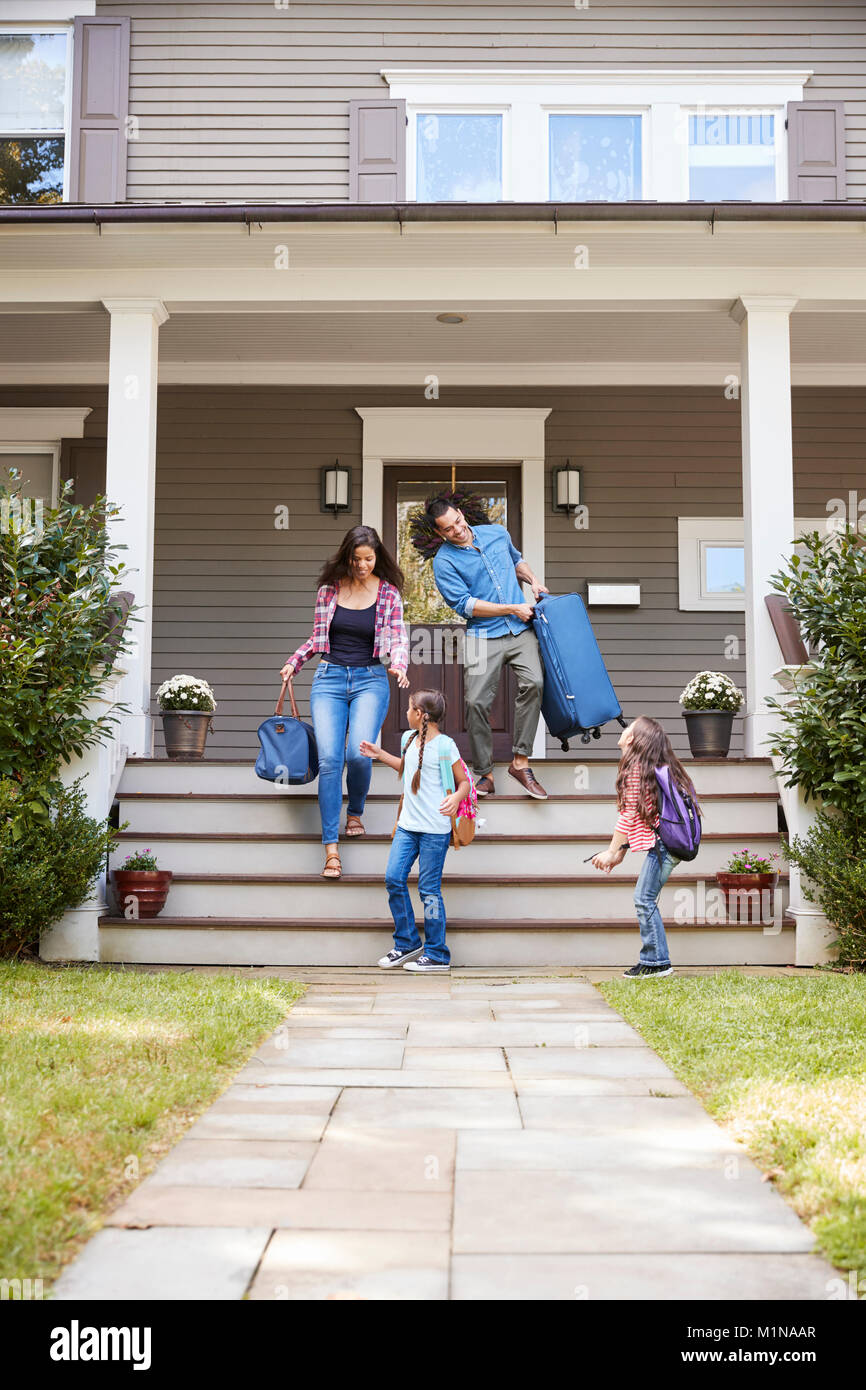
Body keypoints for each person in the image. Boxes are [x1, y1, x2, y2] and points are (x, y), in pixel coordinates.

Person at [281, 525, 409, 880]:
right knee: (330, 759)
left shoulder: (388, 594)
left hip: (370, 679)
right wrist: (295, 660)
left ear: (377, 558)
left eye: (369, 559)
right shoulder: (329, 591)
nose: (363, 565)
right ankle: (331, 848)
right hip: (329, 679)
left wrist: (399, 665)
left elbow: (398, 637)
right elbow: (317, 636)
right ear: (347, 557)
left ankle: (356, 810)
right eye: (357, 559)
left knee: (359, 752)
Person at [427, 497, 549, 800]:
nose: (458, 529)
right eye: (449, 529)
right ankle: (484, 773)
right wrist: (511, 607)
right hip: (482, 636)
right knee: (477, 702)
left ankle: (521, 762)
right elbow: (466, 605)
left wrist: (533, 580)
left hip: (520, 630)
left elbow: (516, 560)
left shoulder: (496, 533)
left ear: (461, 514)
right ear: (440, 534)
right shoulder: (444, 562)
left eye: (458, 521)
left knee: (534, 682)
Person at [360, 688, 469, 974]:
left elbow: (464, 782)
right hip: (407, 827)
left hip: (435, 831)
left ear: (421, 715)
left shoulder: (446, 746)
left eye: (410, 708)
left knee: (429, 891)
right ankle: (407, 942)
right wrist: (380, 753)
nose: (406, 713)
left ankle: (437, 953)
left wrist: (456, 799)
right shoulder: (408, 739)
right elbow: (409, 769)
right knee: (393, 878)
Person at [591, 715, 701, 979]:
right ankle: (655, 960)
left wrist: (610, 851)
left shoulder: (635, 769)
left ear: (632, 738)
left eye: (628, 728)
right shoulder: (647, 767)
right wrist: (620, 853)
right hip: (666, 845)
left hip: (663, 846)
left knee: (644, 899)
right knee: (646, 898)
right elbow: (645, 817)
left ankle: (657, 962)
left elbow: (629, 816)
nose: (624, 729)